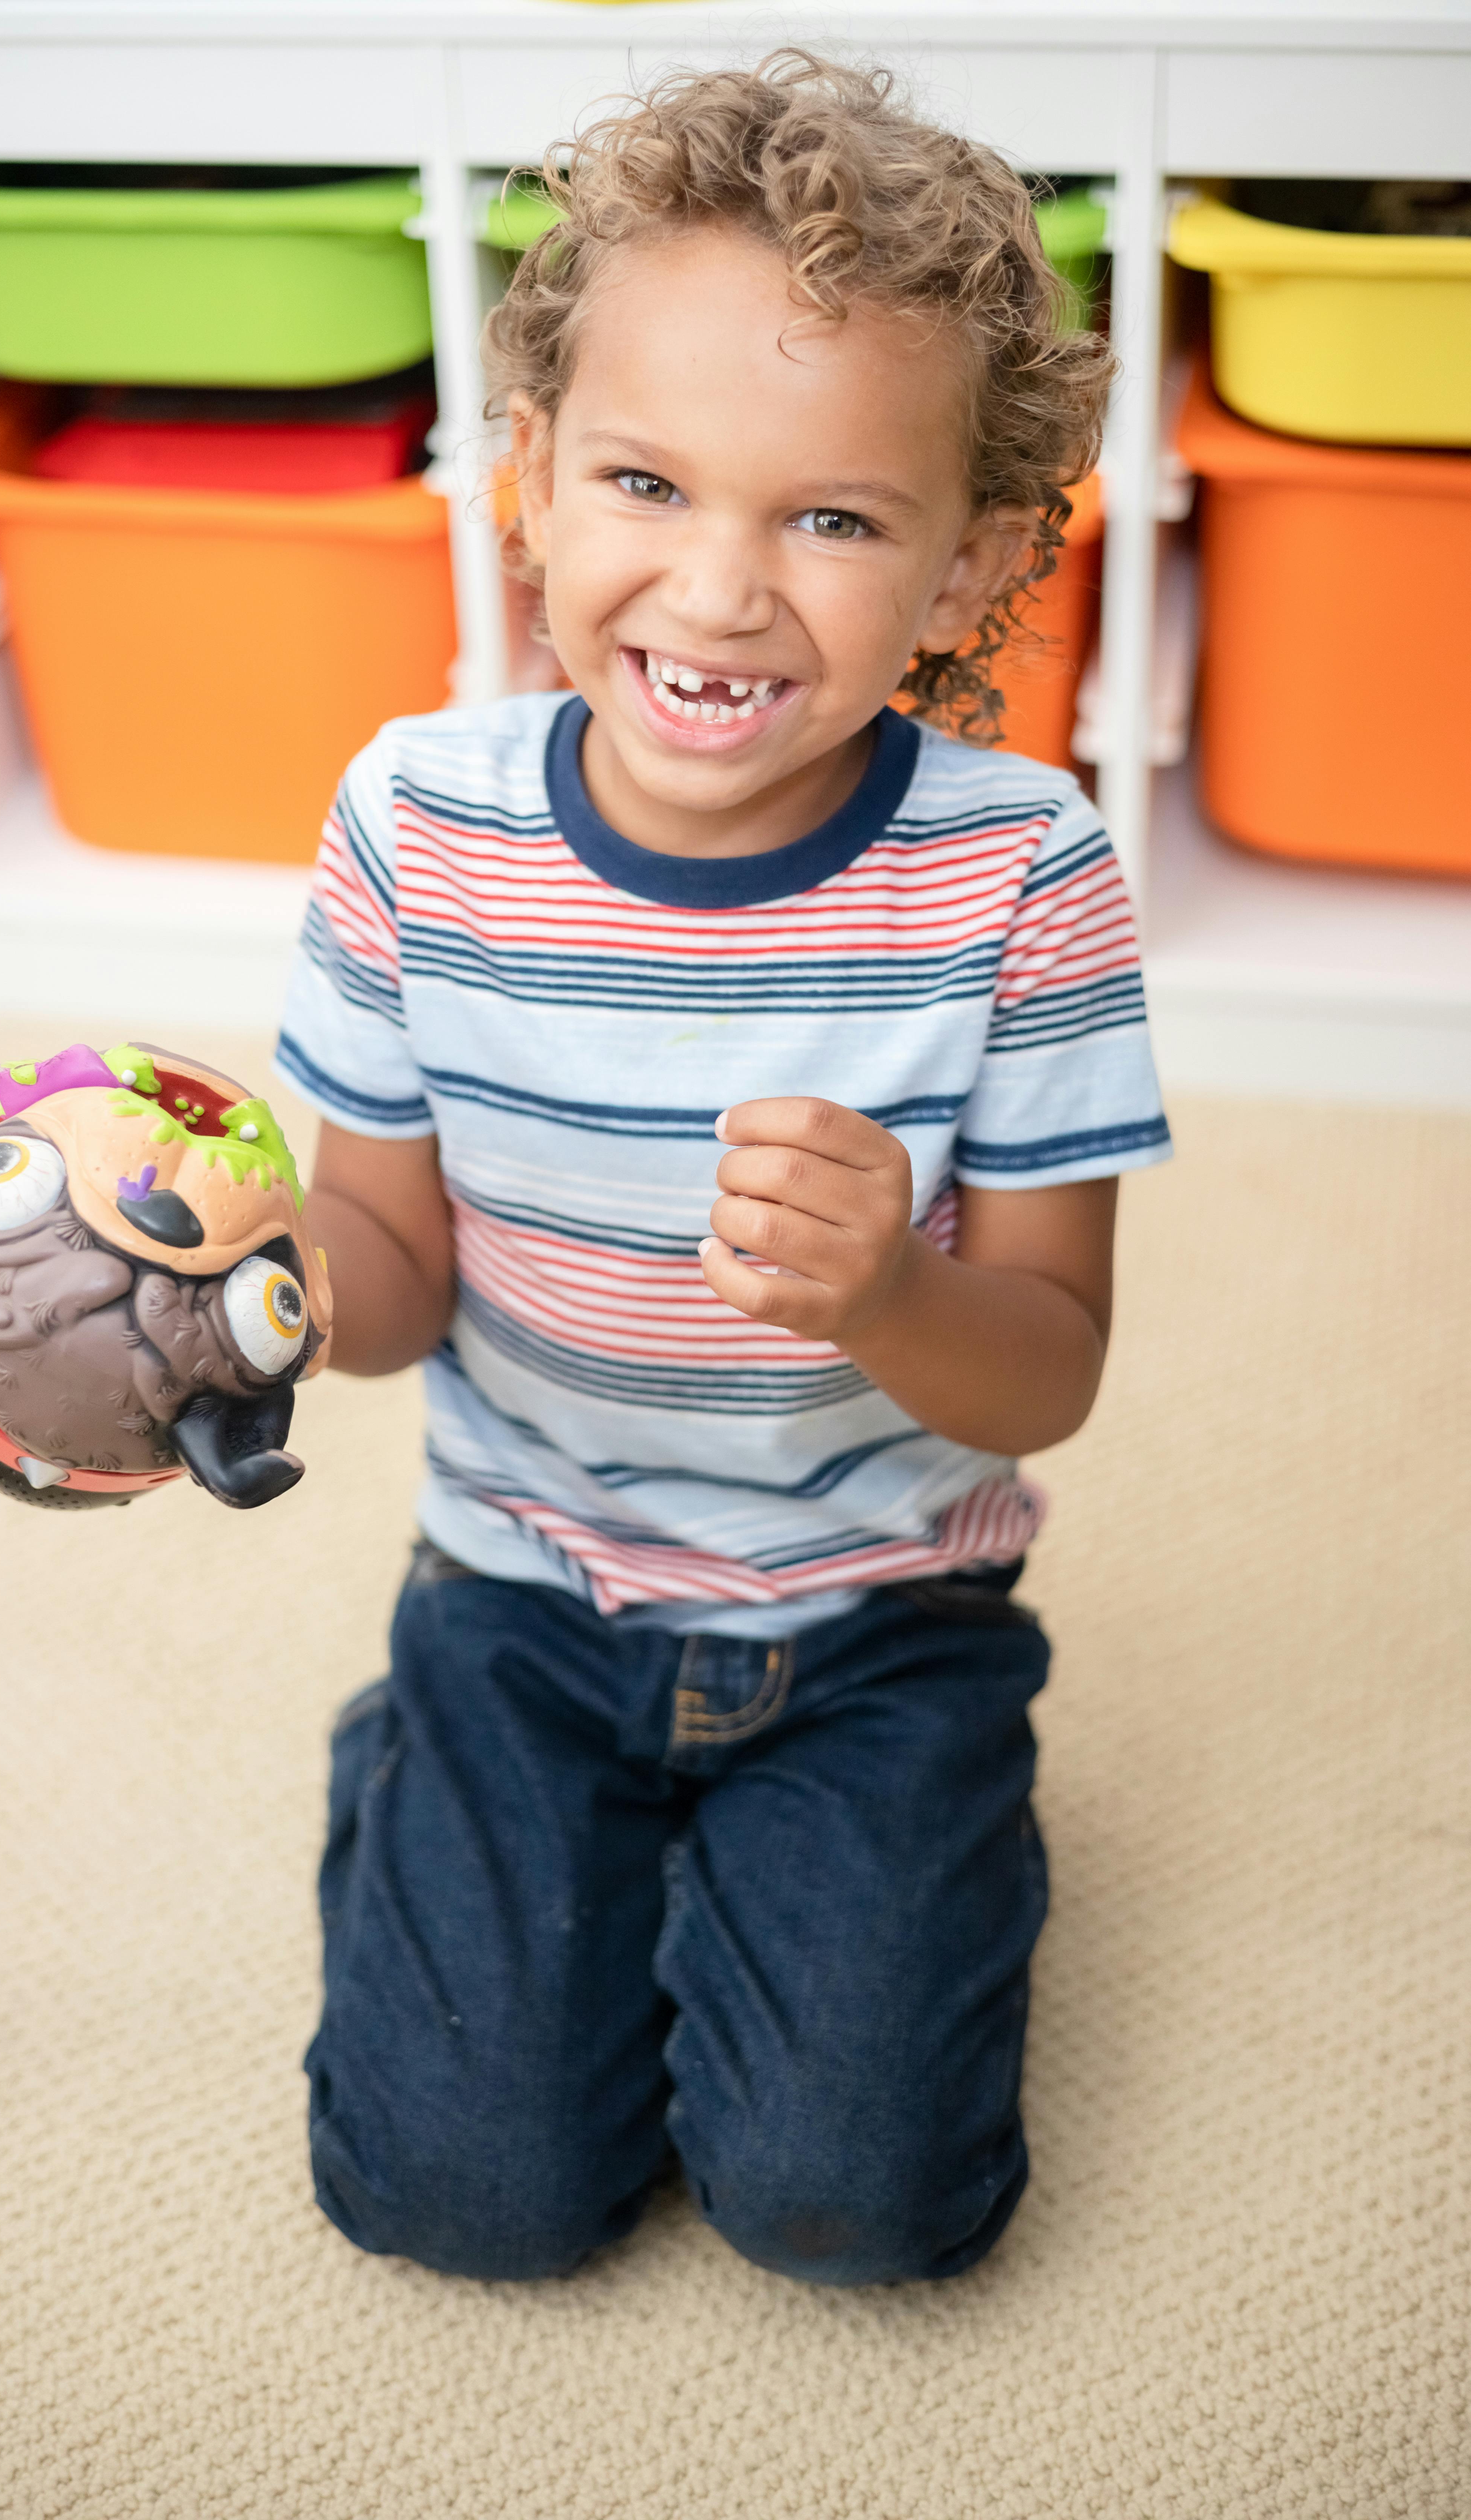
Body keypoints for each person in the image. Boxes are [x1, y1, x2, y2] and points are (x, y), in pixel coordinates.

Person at [275, 50, 1169, 2288]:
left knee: (862, 2210)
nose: (721, 587)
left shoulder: (1028, 880)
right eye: (647, 482)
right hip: (524, 1588)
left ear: (972, 560)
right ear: (529, 487)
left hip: (878, 1622)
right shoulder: (414, 817)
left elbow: (1045, 1370)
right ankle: (435, 1778)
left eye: (835, 518)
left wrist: (888, 1288)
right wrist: (250, 1272)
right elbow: (384, 1274)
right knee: (461, 2200)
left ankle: (871, 1864)